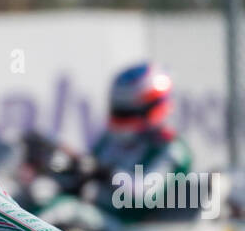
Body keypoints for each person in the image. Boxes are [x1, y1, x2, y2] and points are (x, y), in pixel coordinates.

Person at [84, 62, 195, 221]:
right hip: (103, 219)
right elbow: (88, 168)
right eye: (119, 112)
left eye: (128, 112)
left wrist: (106, 173)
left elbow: (145, 194)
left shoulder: (172, 149)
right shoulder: (109, 139)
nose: (123, 119)